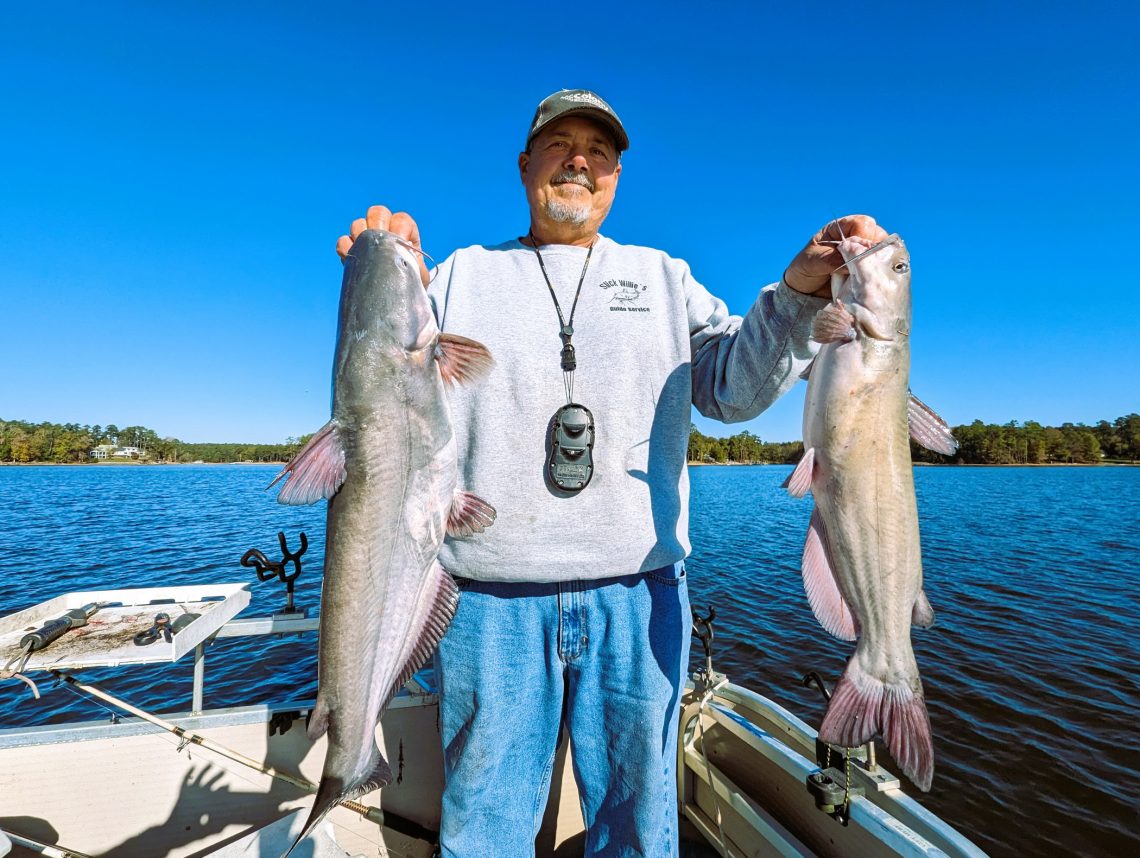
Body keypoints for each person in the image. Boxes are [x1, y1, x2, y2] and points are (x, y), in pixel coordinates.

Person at [336, 89, 887, 858]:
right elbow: (377, 394)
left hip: (640, 597)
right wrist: (376, 271)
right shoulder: (457, 276)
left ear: (618, 176)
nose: (580, 161)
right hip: (486, 603)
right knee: (484, 825)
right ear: (526, 165)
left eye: (599, 150)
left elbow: (732, 388)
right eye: (560, 144)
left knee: (639, 827)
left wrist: (796, 292)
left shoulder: (664, 277)